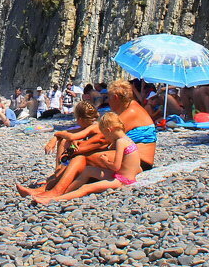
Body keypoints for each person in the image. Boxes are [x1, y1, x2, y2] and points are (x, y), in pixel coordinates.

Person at [25, 81, 157, 201]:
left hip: (139, 162)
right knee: (81, 156)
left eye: (108, 98)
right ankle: (50, 187)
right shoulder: (128, 108)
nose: (108, 101)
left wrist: (76, 150)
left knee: (82, 158)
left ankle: (54, 190)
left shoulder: (131, 111)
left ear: (115, 98)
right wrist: (64, 140)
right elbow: (99, 134)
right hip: (128, 158)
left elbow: (101, 138)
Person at [39, 113, 143, 203]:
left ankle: (55, 199)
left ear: (109, 130)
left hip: (122, 180)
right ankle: (62, 192)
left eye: (106, 135)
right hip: (125, 176)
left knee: (86, 188)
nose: (106, 138)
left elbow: (116, 166)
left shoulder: (121, 142)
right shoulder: (128, 140)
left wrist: (105, 161)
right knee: (88, 170)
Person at [16, 101, 103, 198]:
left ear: (80, 119)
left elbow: (72, 138)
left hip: (97, 168)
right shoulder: (91, 126)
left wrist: (69, 140)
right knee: (64, 142)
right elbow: (67, 133)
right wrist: (55, 138)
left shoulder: (95, 128)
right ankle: (53, 179)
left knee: (75, 156)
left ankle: (51, 187)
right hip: (92, 164)